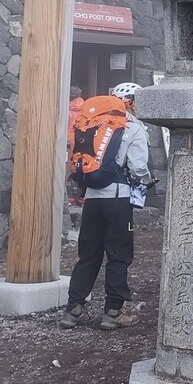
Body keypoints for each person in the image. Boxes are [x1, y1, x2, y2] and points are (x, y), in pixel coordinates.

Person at [61, 81, 151, 330]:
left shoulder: (92, 124)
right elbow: (138, 167)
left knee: (88, 254)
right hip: (118, 198)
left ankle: (74, 309)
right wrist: (146, 181)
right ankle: (113, 311)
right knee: (118, 254)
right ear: (130, 102)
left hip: (92, 196)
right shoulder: (133, 127)